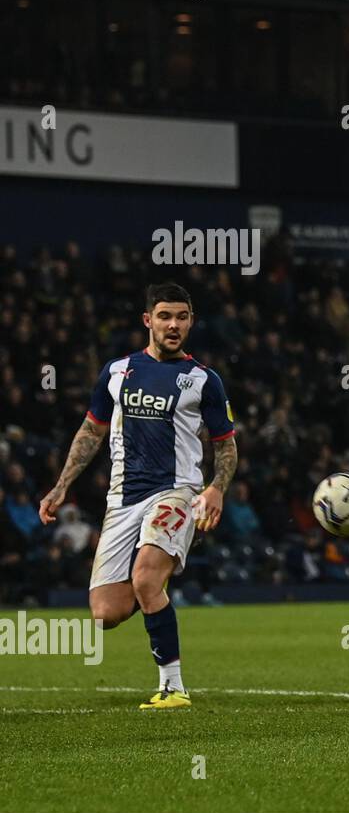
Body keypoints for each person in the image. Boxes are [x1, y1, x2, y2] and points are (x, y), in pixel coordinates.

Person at [38, 283, 237, 710]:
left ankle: (173, 686)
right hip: (123, 499)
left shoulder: (205, 380)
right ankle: (158, 564)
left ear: (191, 322)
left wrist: (216, 487)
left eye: (182, 317)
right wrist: (61, 485)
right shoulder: (116, 371)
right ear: (148, 320)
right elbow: (91, 430)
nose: (173, 325)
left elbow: (225, 443)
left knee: (146, 578)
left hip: (177, 492)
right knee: (105, 614)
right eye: (165, 316)